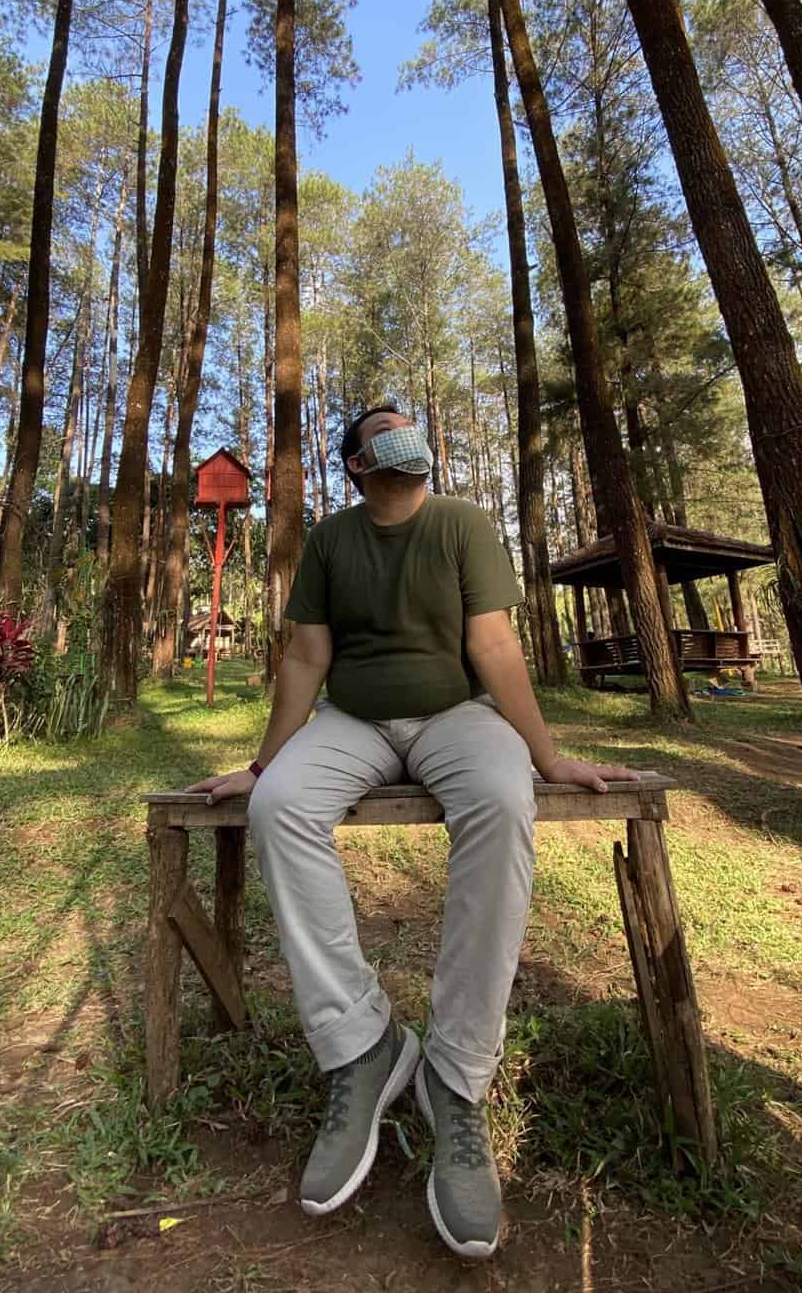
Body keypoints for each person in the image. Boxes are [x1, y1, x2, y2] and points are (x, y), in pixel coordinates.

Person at [186, 406, 634, 1259]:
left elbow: (494, 647)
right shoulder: (331, 540)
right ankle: (363, 1045)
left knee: (503, 799)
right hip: (352, 720)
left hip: (456, 716)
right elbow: (306, 658)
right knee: (279, 807)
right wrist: (261, 766)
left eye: (409, 426)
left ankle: (457, 1074)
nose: (404, 437)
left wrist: (546, 756)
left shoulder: (463, 525)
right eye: (383, 432)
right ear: (355, 465)